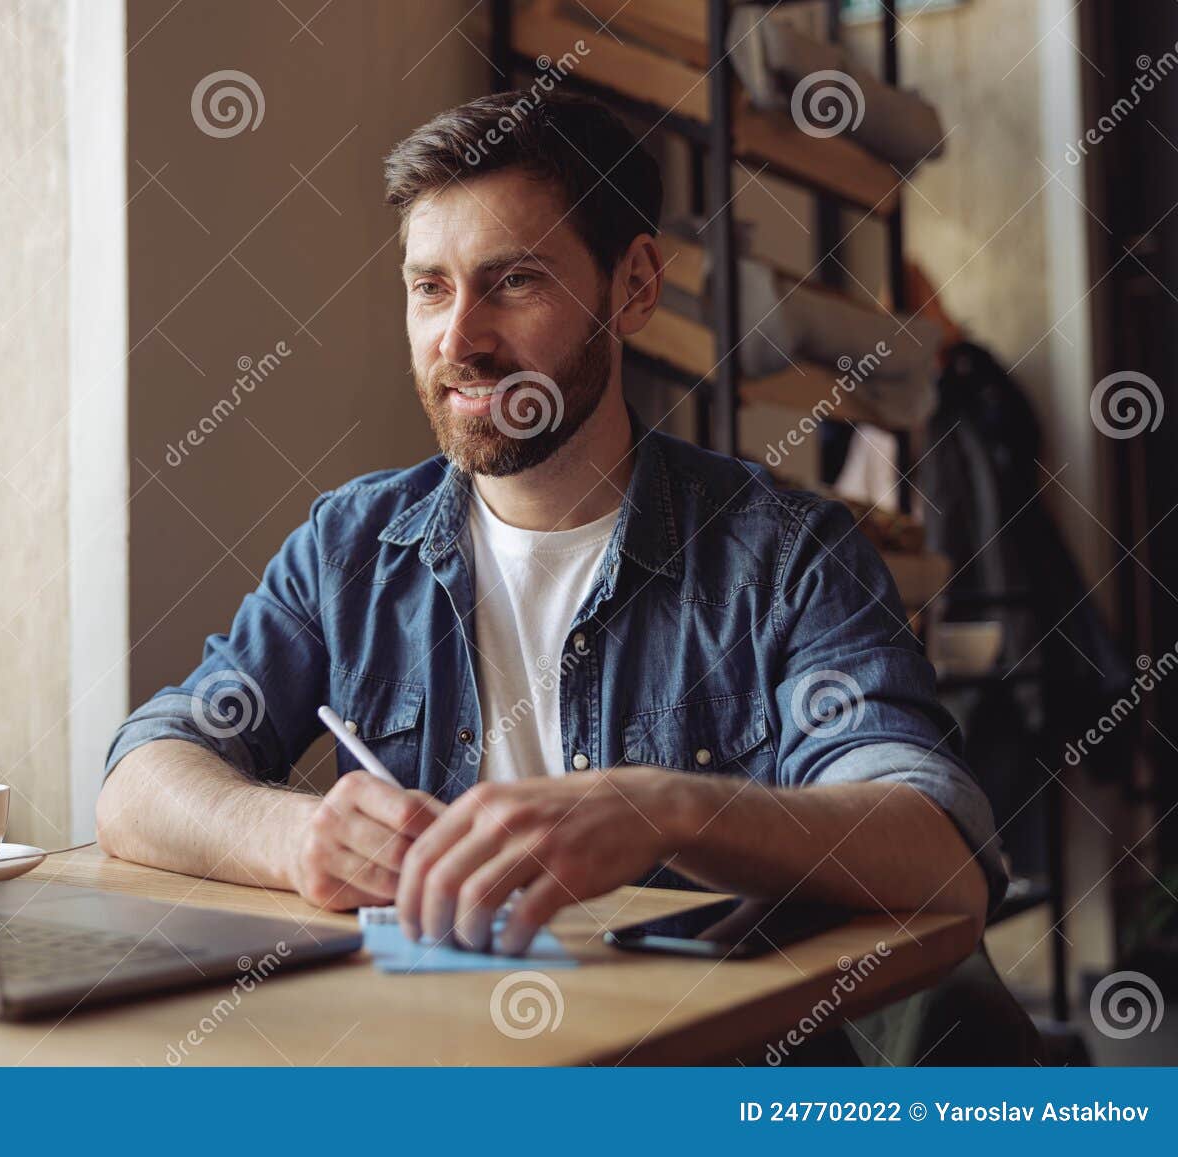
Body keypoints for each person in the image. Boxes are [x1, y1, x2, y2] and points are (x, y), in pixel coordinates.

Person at [96, 92, 1002, 960]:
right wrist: (296, 836)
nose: (459, 340)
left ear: (635, 287)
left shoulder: (784, 556)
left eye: (514, 281)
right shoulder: (351, 549)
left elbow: (940, 852)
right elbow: (140, 781)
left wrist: (665, 809)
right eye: (429, 288)